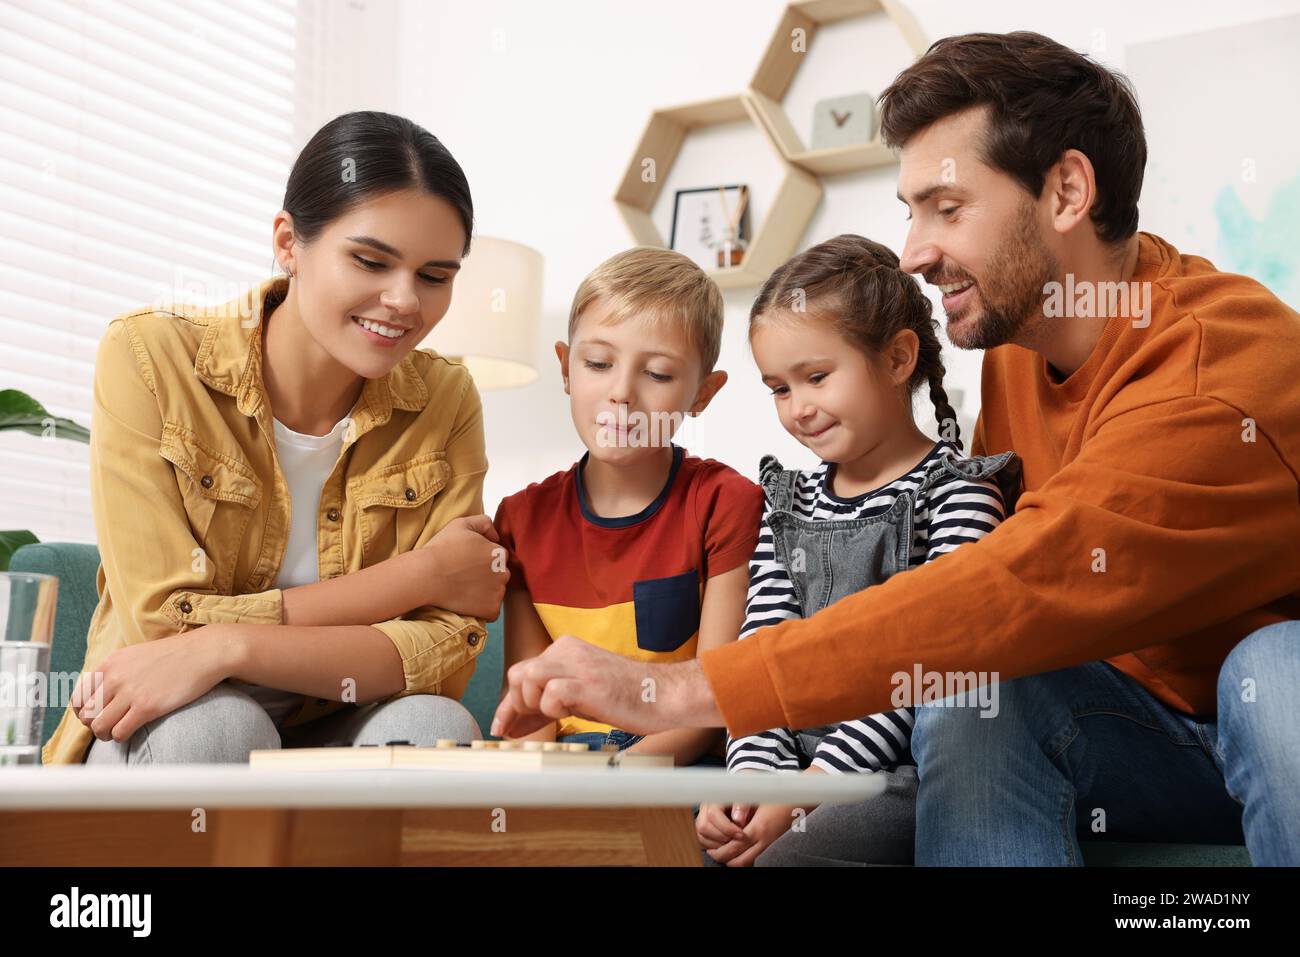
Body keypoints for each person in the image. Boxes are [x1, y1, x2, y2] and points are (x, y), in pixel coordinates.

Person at [494, 32, 1300, 865]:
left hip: (1264, 723)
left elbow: (1018, 579)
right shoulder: (1019, 351)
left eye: (947, 209)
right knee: (973, 690)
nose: (915, 252)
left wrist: (683, 686)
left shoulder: (1225, 367)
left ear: (1066, 190)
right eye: (911, 213)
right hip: (1131, 737)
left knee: (1278, 666)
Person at [44, 111, 508, 766]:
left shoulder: (446, 398)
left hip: (338, 715)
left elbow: (440, 652)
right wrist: (422, 573)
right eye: (371, 260)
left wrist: (228, 643)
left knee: (437, 722)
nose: (405, 300)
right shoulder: (150, 358)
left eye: (435, 276)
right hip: (165, 719)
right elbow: (167, 621)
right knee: (222, 729)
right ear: (288, 242)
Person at [697, 235, 1016, 867]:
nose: (799, 409)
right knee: (684, 840)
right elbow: (760, 651)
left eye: (816, 377)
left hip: (894, 771)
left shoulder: (963, 497)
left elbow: (925, 675)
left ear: (898, 358)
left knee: (790, 858)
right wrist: (754, 780)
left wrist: (812, 792)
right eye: (779, 389)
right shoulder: (788, 504)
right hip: (788, 766)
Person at [492, 247, 763, 765]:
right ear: (566, 368)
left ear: (703, 394)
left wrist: (615, 782)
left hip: (669, 765)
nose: (621, 394)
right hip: (562, 769)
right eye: (598, 363)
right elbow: (530, 710)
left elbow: (714, 701)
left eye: (658, 374)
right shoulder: (521, 520)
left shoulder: (727, 503)